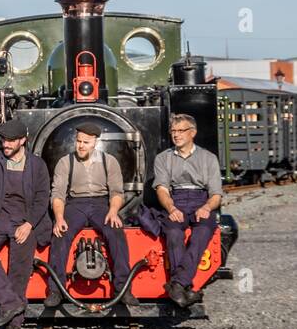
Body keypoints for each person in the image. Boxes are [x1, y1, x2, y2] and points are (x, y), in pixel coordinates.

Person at [0, 118, 50, 329]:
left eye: (10, 141)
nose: (5, 144)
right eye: (3, 140)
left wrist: (29, 224)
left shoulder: (37, 165)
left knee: (20, 269)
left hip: (25, 219)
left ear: (22, 141)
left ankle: (14, 324)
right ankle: (11, 302)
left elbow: (42, 198)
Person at [46, 121, 137, 308]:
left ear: (95, 142)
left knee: (116, 233)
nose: (80, 145)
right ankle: (56, 290)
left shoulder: (109, 161)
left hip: (101, 203)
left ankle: (123, 288)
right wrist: (59, 218)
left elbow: (117, 192)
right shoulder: (65, 162)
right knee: (60, 235)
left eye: (85, 142)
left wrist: (113, 212)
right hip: (75, 204)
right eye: (78, 141)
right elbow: (58, 194)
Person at [144, 113, 223, 308]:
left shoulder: (208, 158)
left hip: (200, 199)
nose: (176, 135)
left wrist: (206, 207)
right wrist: (170, 207)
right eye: (173, 131)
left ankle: (178, 284)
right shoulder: (163, 158)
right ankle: (185, 288)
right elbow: (162, 188)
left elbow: (216, 195)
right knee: (172, 232)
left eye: (181, 131)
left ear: (192, 133)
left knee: (203, 232)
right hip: (176, 198)